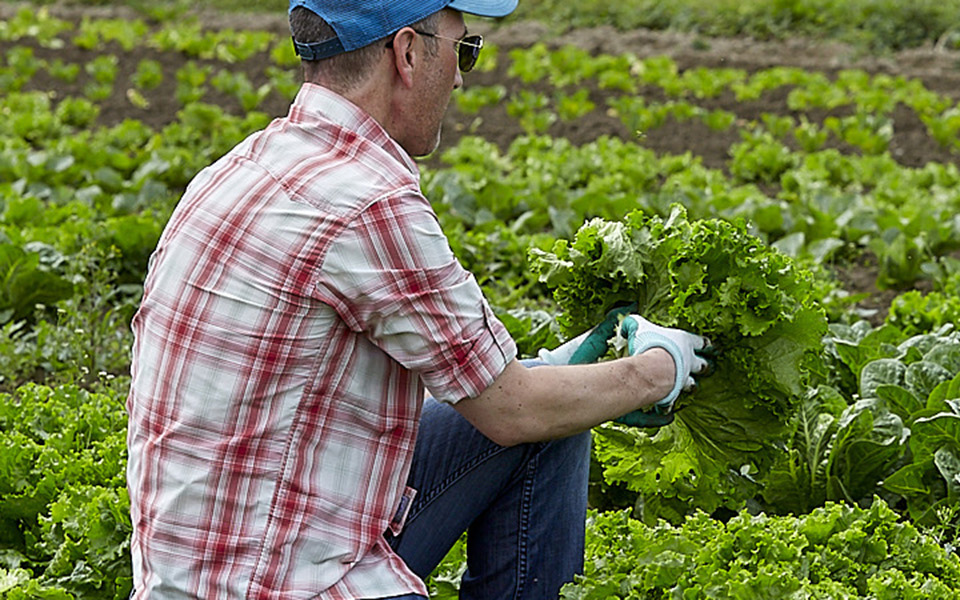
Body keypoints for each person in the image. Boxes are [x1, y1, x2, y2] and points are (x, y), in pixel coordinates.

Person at [125, 1, 710, 598]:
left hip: (189, 569)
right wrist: (655, 372)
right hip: (277, 583)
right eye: (462, 48)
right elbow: (513, 411)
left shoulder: (240, 166)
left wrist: (561, 372)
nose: (459, 76)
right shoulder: (368, 201)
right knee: (537, 418)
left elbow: (497, 391)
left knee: (551, 422)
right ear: (407, 53)